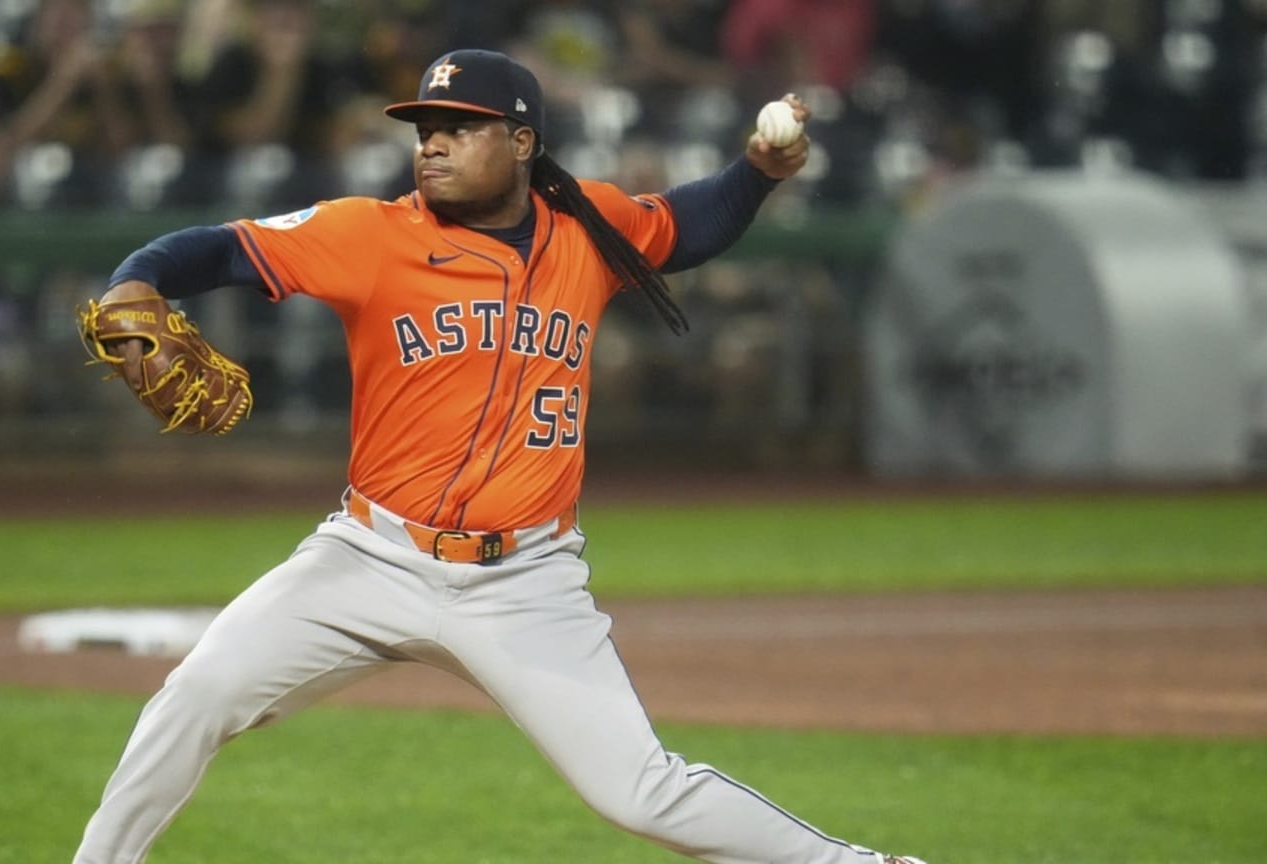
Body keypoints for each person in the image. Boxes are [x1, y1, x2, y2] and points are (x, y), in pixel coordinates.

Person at [72, 49, 926, 864]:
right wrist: (132, 280)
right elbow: (217, 247)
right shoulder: (368, 234)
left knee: (640, 793)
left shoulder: (587, 231)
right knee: (196, 696)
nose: (431, 144)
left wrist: (760, 176)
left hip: (526, 584)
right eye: (423, 128)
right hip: (369, 558)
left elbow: (684, 227)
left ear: (521, 142)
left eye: (459, 126)